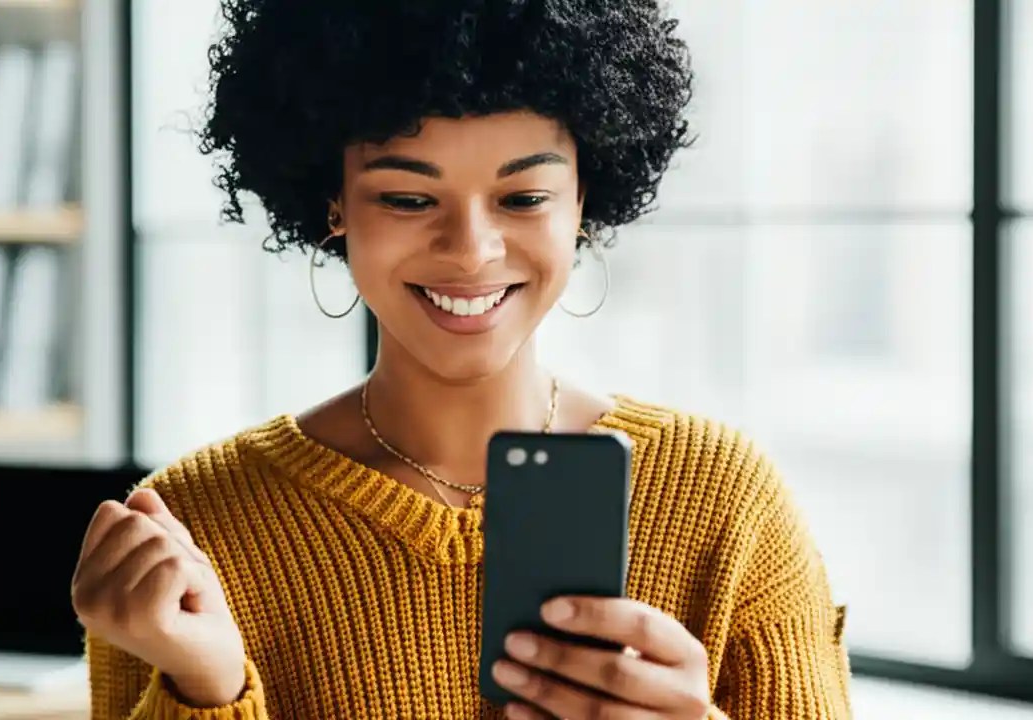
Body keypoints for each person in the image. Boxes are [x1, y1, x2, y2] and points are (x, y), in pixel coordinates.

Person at [70, 1, 852, 718]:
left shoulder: (728, 505)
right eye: (408, 200)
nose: (472, 251)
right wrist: (205, 691)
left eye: (524, 199)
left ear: (586, 199)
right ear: (332, 203)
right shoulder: (190, 538)